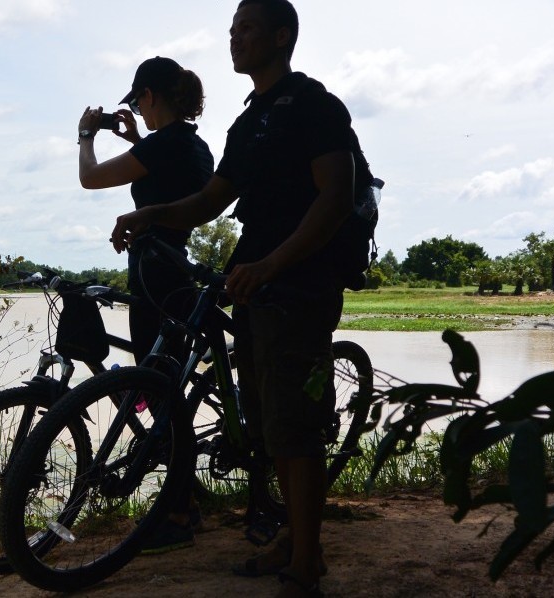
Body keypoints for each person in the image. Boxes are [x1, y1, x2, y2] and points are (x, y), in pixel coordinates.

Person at [111, 1, 367, 595]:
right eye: (231, 29)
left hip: (297, 286)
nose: (234, 38)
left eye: (246, 28)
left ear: (282, 36)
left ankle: (307, 559)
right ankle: (296, 539)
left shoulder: (315, 107)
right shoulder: (248, 122)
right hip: (253, 285)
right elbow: (209, 201)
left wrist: (275, 262)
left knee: (294, 422)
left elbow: (336, 195)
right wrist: (149, 212)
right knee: (267, 422)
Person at [77, 56, 213, 367]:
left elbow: (90, 177)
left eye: (138, 104)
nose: (139, 110)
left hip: (151, 271)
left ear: (149, 96)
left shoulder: (162, 145)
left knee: (153, 376)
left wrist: (86, 136)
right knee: (172, 370)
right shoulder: (196, 145)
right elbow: (169, 179)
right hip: (178, 268)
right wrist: (138, 140)